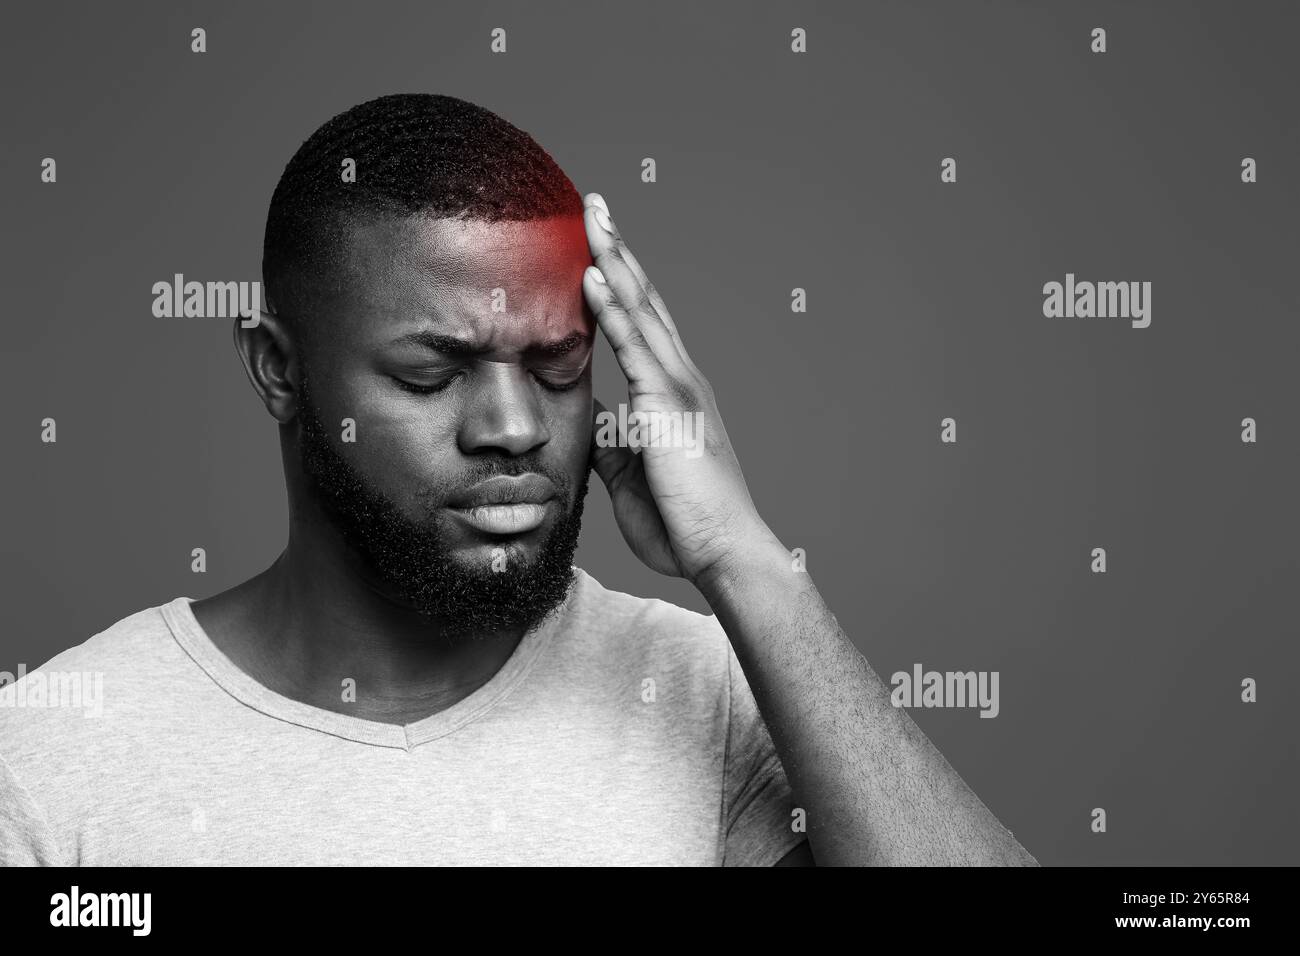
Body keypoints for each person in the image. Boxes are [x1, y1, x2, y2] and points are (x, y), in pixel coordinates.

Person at [0, 93, 1037, 866]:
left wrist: (747, 563)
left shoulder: (696, 686)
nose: (513, 426)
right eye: (431, 372)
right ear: (279, 367)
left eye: (557, 369)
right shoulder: (56, 749)